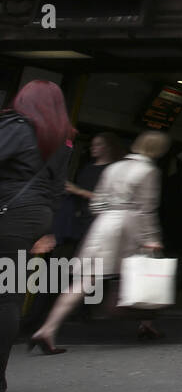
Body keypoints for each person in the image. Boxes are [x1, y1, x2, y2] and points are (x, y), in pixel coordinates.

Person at [31, 130, 171, 352]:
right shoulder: (148, 171)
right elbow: (147, 209)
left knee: (84, 281)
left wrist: (108, 216)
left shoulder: (114, 168)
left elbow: (97, 204)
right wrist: (152, 238)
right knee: (144, 273)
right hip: (130, 227)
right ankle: (146, 324)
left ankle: (47, 329)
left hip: (103, 226)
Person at [0, 81, 75, 392]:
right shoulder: (63, 139)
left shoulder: (16, 127)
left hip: (9, 210)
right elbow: (57, 188)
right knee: (9, 295)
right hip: (34, 214)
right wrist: (44, 229)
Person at [21, 131, 124, 335]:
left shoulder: (113, 171)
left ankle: (54, 317)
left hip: (95, 228)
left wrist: (78, 191)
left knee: (78, 275)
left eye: (98, 145)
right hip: (74, 227)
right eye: (93, 145)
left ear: (109, 147)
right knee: (61, 273)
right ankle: (40, 318)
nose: (93, 149)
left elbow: (112, 202)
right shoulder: (87, 169)